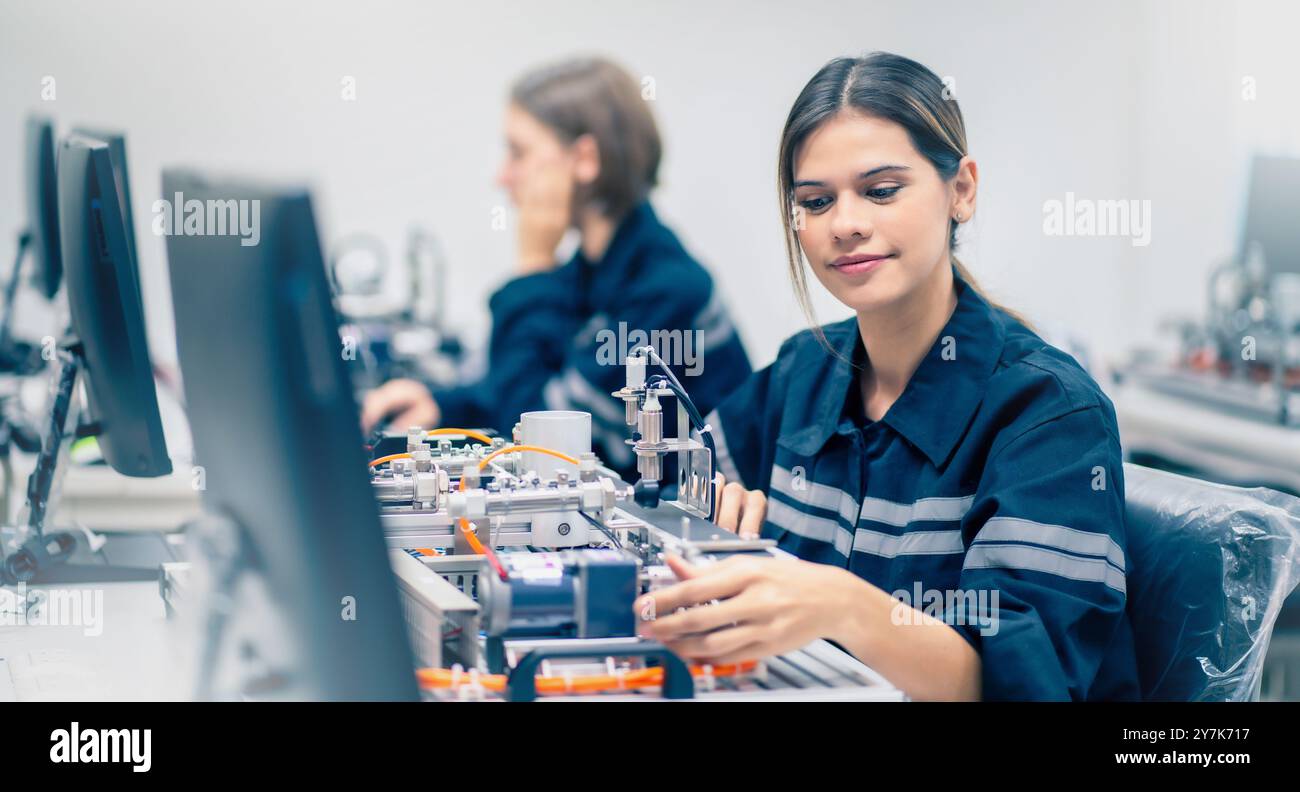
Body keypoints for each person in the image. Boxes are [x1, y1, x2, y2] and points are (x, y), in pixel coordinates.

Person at [635, 52, 1140, 701]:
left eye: (880, 190)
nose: (845, 224)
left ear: (961, 190)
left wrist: (843, 605)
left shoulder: (1048, 414)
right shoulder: (801, 375)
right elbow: (669, 497)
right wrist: (704, 518)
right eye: (815, 201)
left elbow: (1026, 685)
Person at [361, 57, 752, 478]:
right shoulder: (592, 271)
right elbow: (517, 382)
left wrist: (533, 267)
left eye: (519, 153)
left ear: (584, 158)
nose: (502, 176)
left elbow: (538, 444)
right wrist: (440, 405)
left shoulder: (667, 290)